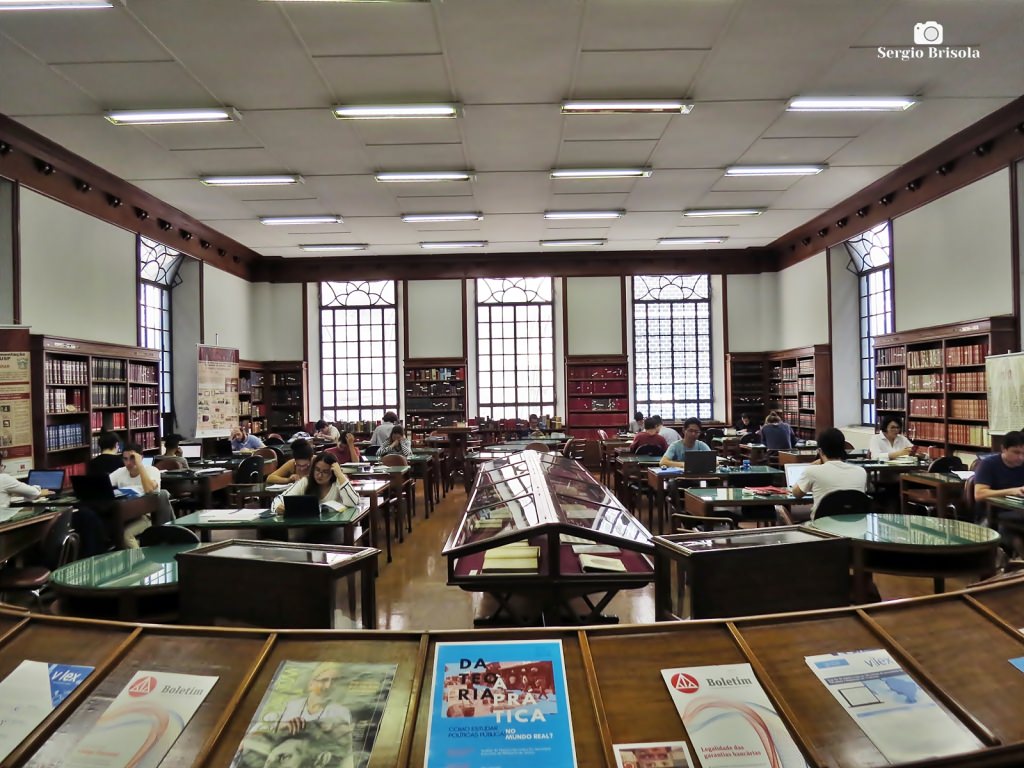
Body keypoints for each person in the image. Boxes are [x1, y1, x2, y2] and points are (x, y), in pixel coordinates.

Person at [790, 427, 868, 518]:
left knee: (781, 512)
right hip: (856, 527)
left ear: (820, 451)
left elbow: (796, 493)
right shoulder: (861, 472)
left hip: (822, 529)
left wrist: (811, 466)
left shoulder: (812, 471)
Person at [109, 443, 173, 547]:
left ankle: (140, 561)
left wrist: (140, 465)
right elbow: (104, 484)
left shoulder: (152, 470)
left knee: (125, 536)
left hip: (145, 516)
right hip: (125, 514)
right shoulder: (120, 472)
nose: (128, 463)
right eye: (125, 459)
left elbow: (149, 489)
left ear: (140, 458)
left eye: (132, 458)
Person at [974, 431, 1024, 551]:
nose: (1021, 457)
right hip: (992, 515)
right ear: (1003, 449)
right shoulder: (988, 464)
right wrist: (1011, 491)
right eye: (1016, 452)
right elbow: (979, 494)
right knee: (1011, 534)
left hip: (1018, 513)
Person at [271, 452, 360, 514]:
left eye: (325, 472)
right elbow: (279, 499)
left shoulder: (338, 482)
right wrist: (278, 507)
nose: (319, 475)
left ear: (333, 473)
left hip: (336, 528)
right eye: (317, 470)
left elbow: (353, 503)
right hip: (308, 529)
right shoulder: (306, 482)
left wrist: (340, 475)